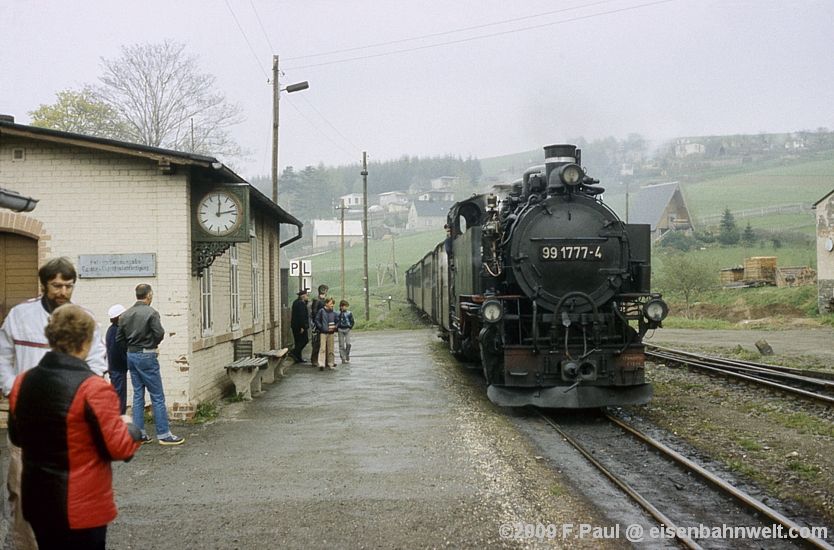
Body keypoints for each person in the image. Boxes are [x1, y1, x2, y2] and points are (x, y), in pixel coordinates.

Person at [8, 304, 142, 550]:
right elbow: (119, 448)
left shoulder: (21, 382)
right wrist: (130, 427)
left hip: (38, 500)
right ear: (86, 342)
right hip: (82, 506)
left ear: (51, 338)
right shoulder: (94, 389)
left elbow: (17, 437)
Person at [0, 256, 107, 550]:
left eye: (68, 285)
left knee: (68, 490)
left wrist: (83, 396)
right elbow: (3, 356)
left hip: (68, 419)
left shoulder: (82, 319)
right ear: (44, 285)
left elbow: (97, 362)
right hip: (26, 419)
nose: (62, 291)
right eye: (57, 285)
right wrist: (13, 389)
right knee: (22, 489)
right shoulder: (20, 316)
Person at [116, 283, 184, 446]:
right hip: (147, 355)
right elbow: (159, 333)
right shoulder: (151, 313)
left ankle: (139, 434)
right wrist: (152, 345)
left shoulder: (125, 315)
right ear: (149, 295)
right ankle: (164, 434)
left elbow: (119, 338)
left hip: (131, 355)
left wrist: (131, 349)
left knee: (138, 394)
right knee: (157, 395)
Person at [105, 303, 128, 414]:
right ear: (119, 317)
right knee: (119, 397)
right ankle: (118, 419)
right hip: (118, 369)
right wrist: (126, 363)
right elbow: (116, 352)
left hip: (115, 368)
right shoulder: (116, 331)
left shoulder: (111, 330)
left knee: (117, 395)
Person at [314, 297, 338, 371]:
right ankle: (321, 364)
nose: (332, 305)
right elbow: (317, 320)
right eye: (331, 303)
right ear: (326, 303)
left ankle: (331, 363)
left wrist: (335, 327)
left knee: (331, 349)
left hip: (331, 332)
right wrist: (321, 328)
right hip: (323, 332)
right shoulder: (321, 311)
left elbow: (337, 321)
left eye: (333, 304)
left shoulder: (334, 313)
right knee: (322, 348)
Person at [309, 284, 329, 368]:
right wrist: (317, 324)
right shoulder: (317, 301)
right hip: (318, 325)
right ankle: (314, 360)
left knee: (325, 343)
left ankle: (324, 360)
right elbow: (314, 313)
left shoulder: (324, 300)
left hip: (324, 323)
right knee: (317, 342)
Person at [290, 288, 310, 363]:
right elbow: (301, 316)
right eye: (307, 295)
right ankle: (294, 352)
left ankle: (298, 358)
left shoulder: (296, 302)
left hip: (295, 326)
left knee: (298, 342)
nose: (308, 297)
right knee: (304, 340)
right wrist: (302, 326)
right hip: (300, 326)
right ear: (303, 296)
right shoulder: (301, 304)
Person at [337, 299, 355, 364]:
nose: (345, 307)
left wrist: (350, 327)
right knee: (341, 345)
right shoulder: (338, 313)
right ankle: (343, 358)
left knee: (348, 343)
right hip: (340, 329)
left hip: (347, 329)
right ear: (341, 306)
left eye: (346, 306)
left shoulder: (349, 313)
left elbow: (352, 321)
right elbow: (336, 320)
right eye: (344, 306)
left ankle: (347, 354)